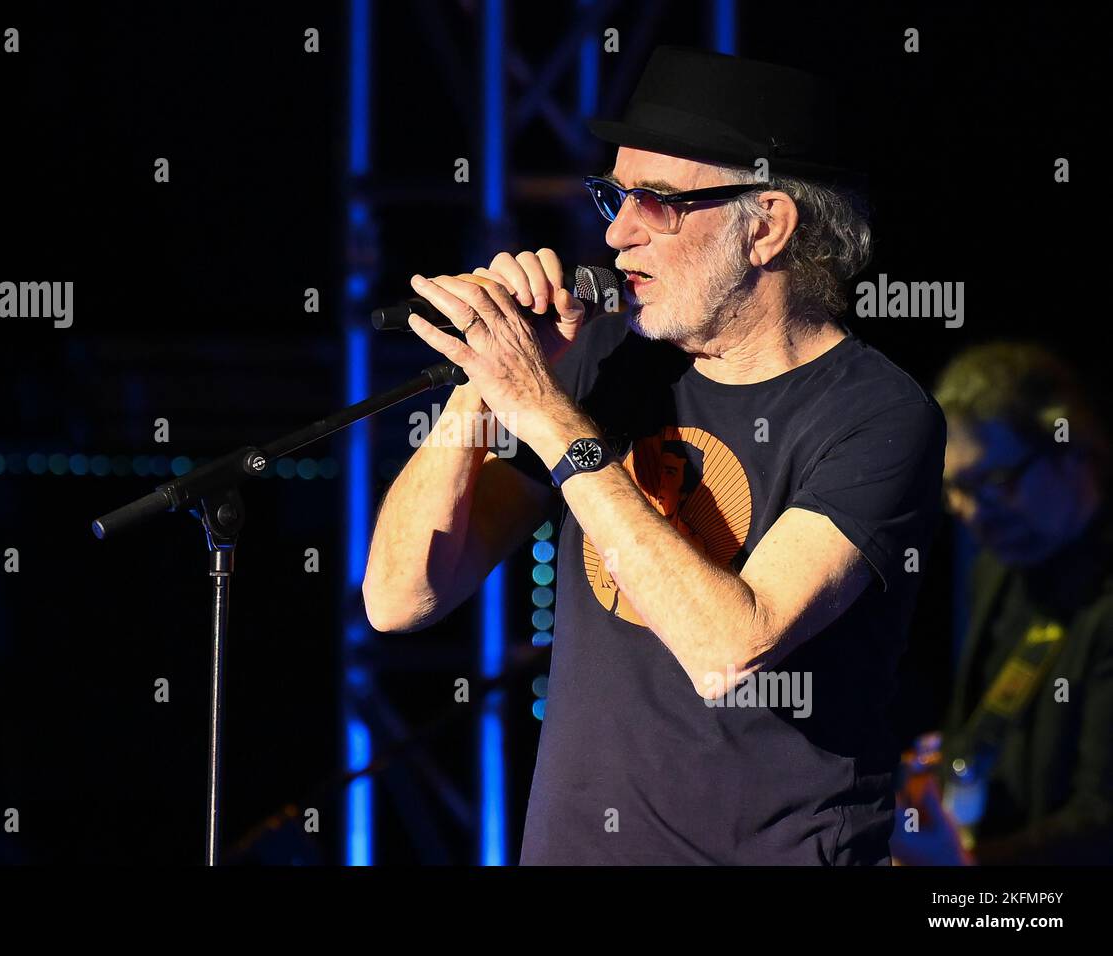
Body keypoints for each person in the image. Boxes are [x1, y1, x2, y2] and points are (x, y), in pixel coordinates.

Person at [362, 46, 946, 864]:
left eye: (657, 203)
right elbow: (399, 599)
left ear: (767, 226)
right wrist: (484, 383)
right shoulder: (607, 365)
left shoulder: (876, 413)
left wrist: (543, 409)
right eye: (615, 196)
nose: (616, 232)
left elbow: (729, 648)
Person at [891, 343, 1113, 865]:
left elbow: (1102, 823)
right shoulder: (999, 565)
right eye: (953, 491)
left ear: (1073, 450)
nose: (970, 513)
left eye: (990, 484)